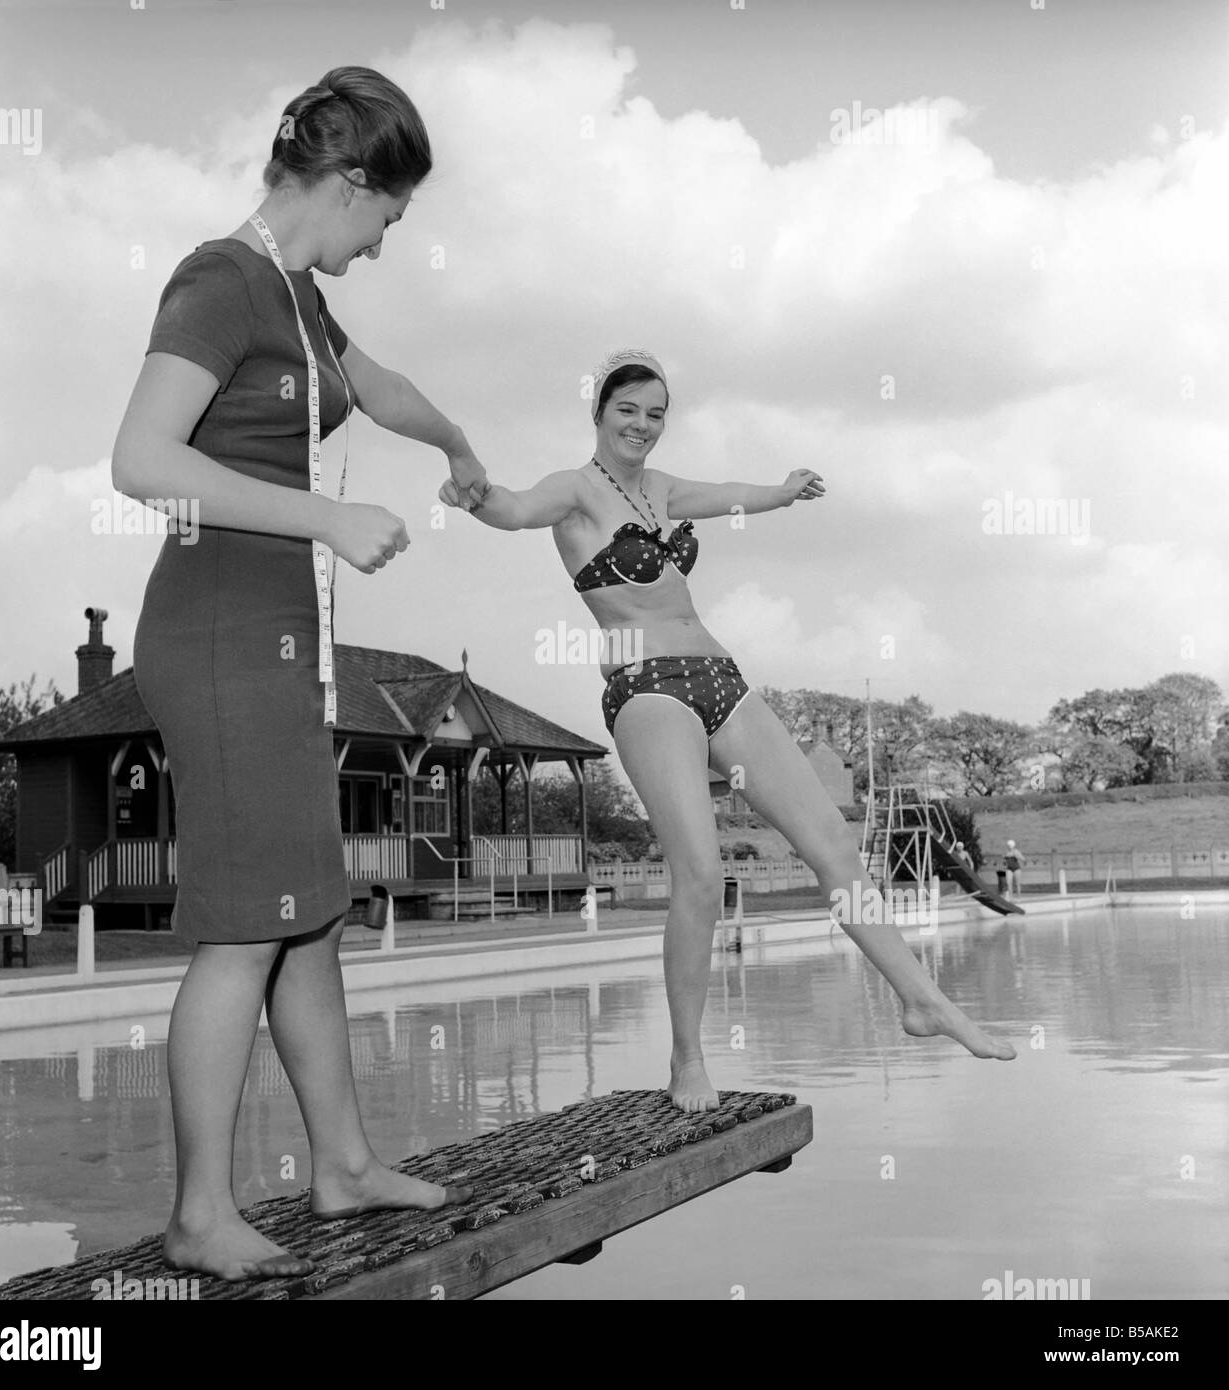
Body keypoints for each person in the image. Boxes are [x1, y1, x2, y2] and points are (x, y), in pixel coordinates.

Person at [112, 67, 488, 1280]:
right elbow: (140, 459)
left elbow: (372, 387)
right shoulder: (222, 279)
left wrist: (459, 446)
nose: (383, 245)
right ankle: (198, 1213)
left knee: (308, 914)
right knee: (242, 931)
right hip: (217, 641)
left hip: (276, 652)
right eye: (388, 219)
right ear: (347, 184)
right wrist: (322, 522)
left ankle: (339, 1165)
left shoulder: (295, 296)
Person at [441, 349, 1016, 1112]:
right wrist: (473, 493)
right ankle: (685, 1058)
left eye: (655, 414)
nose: (642, 425)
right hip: (647, 691)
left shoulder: (663, 489)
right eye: (628, 410)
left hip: (722, 681)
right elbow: (511, 508)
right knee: (701, 875)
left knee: (834, 844)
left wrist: (779, 493)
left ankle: (921, 999)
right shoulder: (573, 491)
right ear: (599, 412)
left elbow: (725, 494)